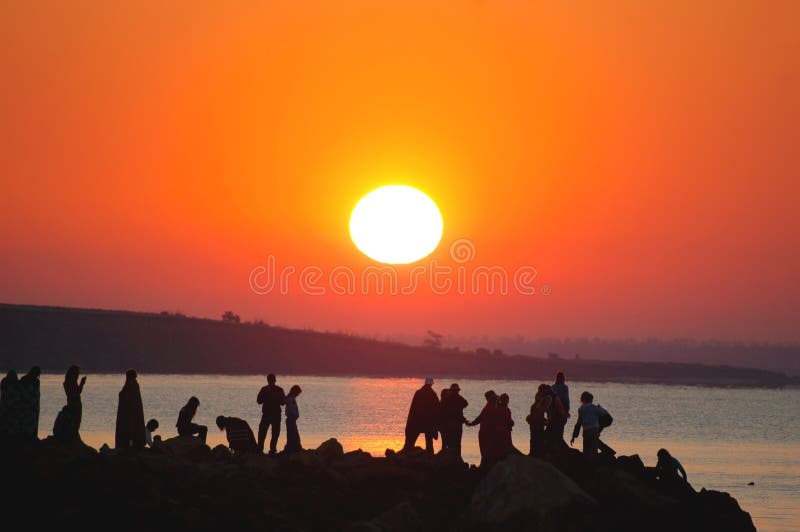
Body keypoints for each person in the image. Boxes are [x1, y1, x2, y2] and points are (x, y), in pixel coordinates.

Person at [402, 377, 440, 454]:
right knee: (429, 441)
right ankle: (430, 455)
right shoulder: (433, 394)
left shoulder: (418, 393)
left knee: (411, 439)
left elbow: (413, 407)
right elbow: (437, 408)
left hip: (417, 420)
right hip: (428, 421)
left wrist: (411, 420)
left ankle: (407, 452)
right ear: (431, 384)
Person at [570, 391, 612, 459]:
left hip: (586, 431)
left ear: (582, 399)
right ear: (591, 400)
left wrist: (574, 436)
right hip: (594, 430)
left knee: (586, 451)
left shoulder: (581, 409)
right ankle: (597, 461)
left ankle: (587, 463)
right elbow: (607, 416)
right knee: (593, 451)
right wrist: (601, 408)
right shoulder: (594, 408)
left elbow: (578, 424)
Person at [468, 390, 501, 467]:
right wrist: (472, 423)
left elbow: (481, 417)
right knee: (488, 449)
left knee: (486, 449)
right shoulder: (495, 405)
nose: (486, 399)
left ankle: (486, 465)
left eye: (486, 397)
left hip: (486, 431)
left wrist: (472, 423)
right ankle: (487, 463)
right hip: (489, 431)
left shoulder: (490, 406)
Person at [115, 369, 146, 450]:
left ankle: (131, 445)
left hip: (129, 412)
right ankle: (129, 445)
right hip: (129, 411)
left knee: (130, 427)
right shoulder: (131, 384)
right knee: (129, 428)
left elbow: (128, 398)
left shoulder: (131, 385)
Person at [256, 373, 285, 455]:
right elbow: (283, 402)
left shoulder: (265, 389)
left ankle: (262, 450)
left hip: (269, 414)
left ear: (268, 380)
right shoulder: (279, 390)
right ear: (275, 380)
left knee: (263, 433)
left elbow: (259, 401)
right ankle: (271, 450)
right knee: (272, 433)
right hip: (273, 414)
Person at [440, 383, 468, 457]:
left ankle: (448, 457)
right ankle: (456, 457)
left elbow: (465, 404)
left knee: (449, 443)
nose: (457, 392)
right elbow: (465, 404)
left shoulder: (448, 399)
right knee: (456, 443)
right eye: (456, 391)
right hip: (455, 424)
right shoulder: (457, 399)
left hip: (450, 424)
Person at [526, 384, 551, 457]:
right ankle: (536, 453)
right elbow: (541, 409)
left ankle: (535, 452)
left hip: (536, 419)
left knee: (535, 436)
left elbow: (542, 409)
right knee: (537, 435)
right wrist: (546, 420)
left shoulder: (540, 396)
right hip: (536, 420)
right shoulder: (542, 397)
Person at [548, 372, 570, 450]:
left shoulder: (552, 387)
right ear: (563, 378)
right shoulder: (565, 387)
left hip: (552, 412)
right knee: (560, 431)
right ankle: (559, 449)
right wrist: (567, 411)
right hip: (561, 411)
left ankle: (553, 448)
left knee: (553, 431)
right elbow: (566, 400)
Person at [19, 366, 41, 440]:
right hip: (32, 406)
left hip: (24, 405)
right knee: (32, 423)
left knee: (25, 422)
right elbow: (35, 394)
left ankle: (26, 437)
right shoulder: (36, 382)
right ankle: (31, 437)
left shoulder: (23, 379)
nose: (38, 376)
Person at [0, 370, 23, 438]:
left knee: (5, 422)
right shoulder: (16, 383)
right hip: (13, 406)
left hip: (5, 405)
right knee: (12, 423)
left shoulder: (4, 382)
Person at [63, 365, 86, 433]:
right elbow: (77, 392)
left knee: (74, 421)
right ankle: (73, 435)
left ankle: (73, 434)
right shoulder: (71, 382)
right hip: (74, 404)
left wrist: (82, 383)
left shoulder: (69, 382)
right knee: (75, 421)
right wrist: (82, 383)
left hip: (72, 403)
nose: (78, 375)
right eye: (77, 373)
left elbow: (77, 392)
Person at [284, 385, 303, 454]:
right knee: (293, 434)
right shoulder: (290, 399)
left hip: (292, 420)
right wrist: (293, 415)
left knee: (293, 434)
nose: (298, 395)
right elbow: (290, 409)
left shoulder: (291, 399)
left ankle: (294, 448)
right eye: (298, 393)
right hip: (291, 419)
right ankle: (294, 449)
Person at [496, 393, 515, 457]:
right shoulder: (506, 410)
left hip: (502, 430)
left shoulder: (498, 408)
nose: (508, 401)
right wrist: (511, 423)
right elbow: (508, 420)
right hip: (504, 430)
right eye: (507, 400)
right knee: (506, 445)